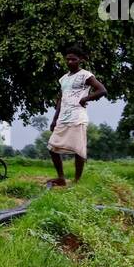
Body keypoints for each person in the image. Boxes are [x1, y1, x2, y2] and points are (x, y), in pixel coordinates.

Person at [47, 45, 107, 185]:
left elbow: (102, 90)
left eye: (73, 59)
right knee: (52, 147)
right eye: (67, 59)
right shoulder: (63, 79)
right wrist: (54, 119)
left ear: (80, 60)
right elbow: (60, 100)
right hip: (63, 118)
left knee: (78, 150)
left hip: (77, 117)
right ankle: (61, 178)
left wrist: (86, 98)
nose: (70, 62)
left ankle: (77, 180)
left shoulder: (85, 75)